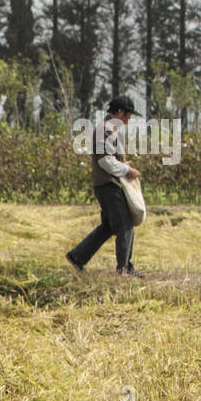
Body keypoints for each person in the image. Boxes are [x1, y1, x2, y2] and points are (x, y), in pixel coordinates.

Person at [67, 94, 144, 277]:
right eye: (127, 115)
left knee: (109, 226)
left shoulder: (111, 129)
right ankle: (124, 269)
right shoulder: (105, 129)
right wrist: (127, 170)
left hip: (109, 184)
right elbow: (104, 161)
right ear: (118, 111)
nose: (128, 120)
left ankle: (77, 256)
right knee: (125, 225)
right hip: (108, 185)